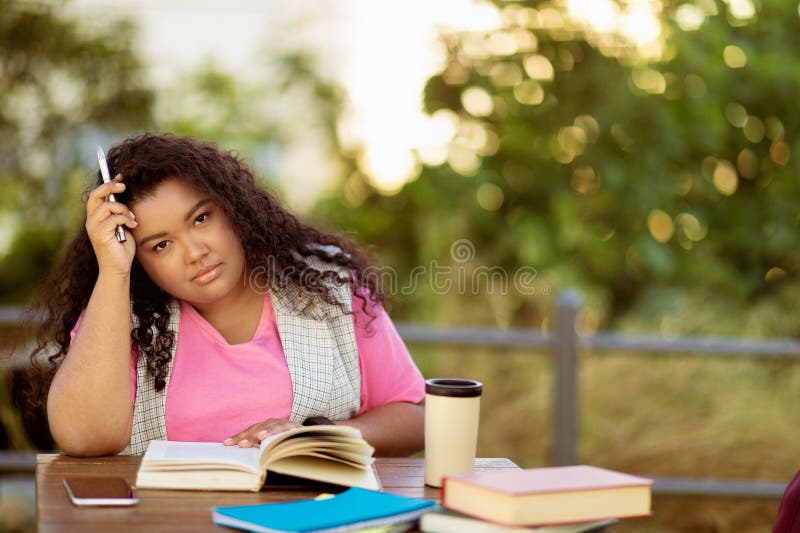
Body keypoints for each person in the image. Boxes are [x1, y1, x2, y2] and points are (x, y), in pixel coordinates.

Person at [27, 133, 425, 457]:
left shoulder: (326, 285)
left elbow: (418, 418)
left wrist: (325, 437)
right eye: (160, 245)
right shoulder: (119, 314)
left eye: (201, 219)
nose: (195, 252)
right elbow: (81, 438)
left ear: (232, 208)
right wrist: (114, 271)